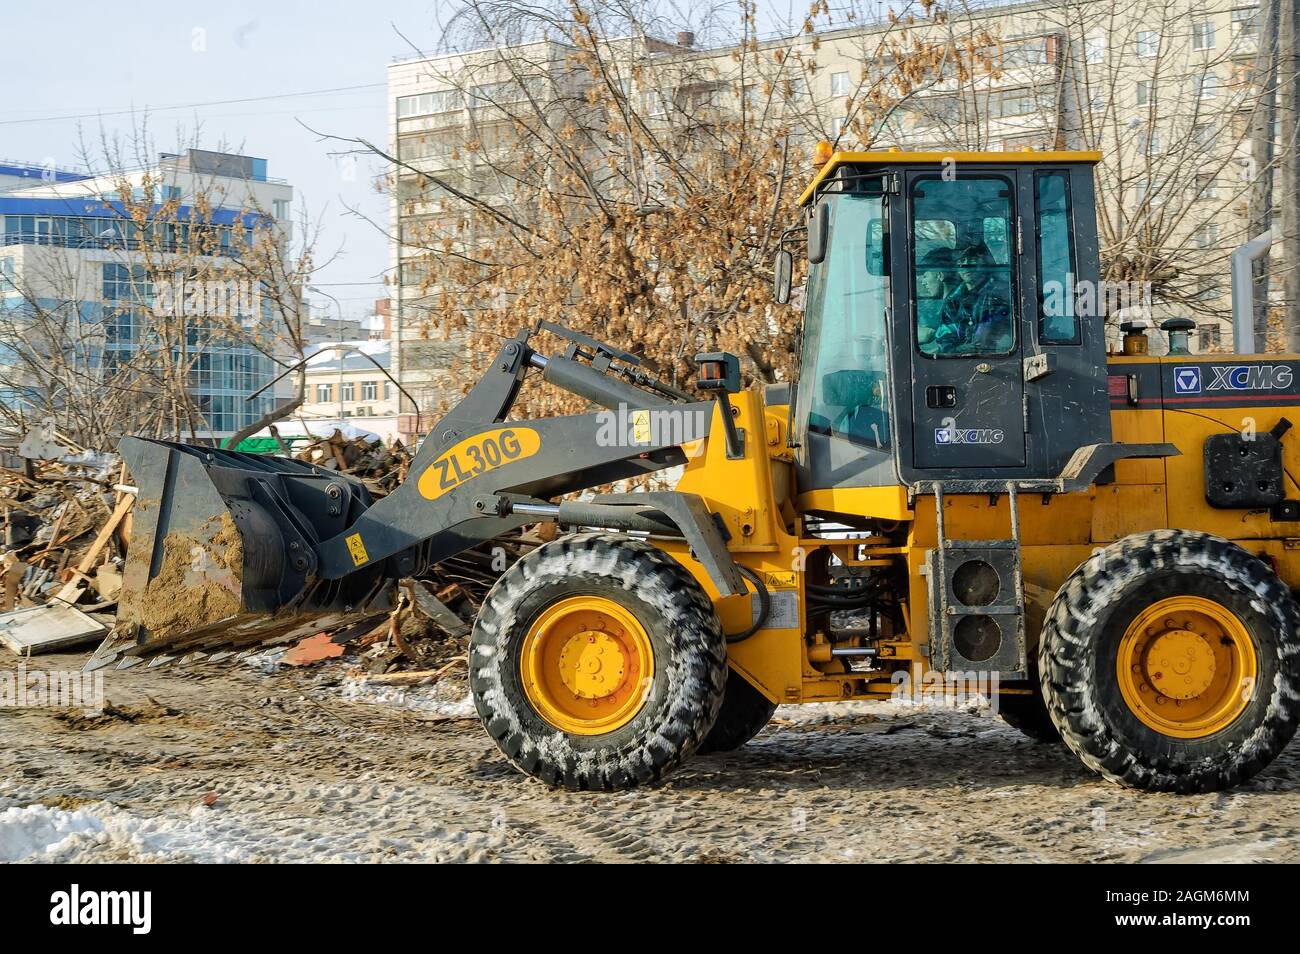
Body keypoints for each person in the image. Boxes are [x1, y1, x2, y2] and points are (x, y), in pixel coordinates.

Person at [930, 243, 1013, 354]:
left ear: (983, 262)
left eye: (972, 259)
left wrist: (976, 347)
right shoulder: (953, 301)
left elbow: (994, 333)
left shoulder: (1000, 293)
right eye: (961, 261)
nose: (966, 265)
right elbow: (945, 336)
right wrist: (957, 350)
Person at [916, 246, 959, 352]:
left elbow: (928, 334)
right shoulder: (949, 300)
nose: (923, 282)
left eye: (925, 276)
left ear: (940, 275)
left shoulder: (954, 303)